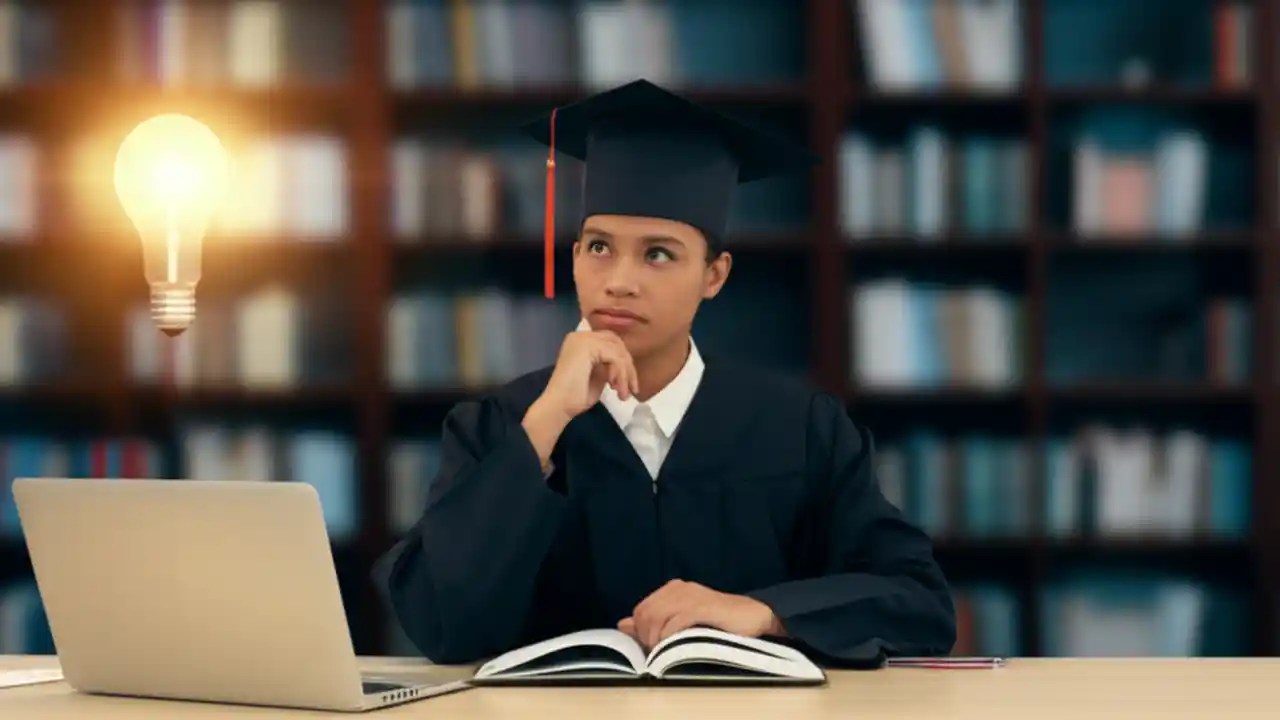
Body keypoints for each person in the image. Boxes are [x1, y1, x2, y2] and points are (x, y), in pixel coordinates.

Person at [374, 79, 956, 668]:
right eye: (599, 247)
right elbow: (439, 626)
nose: (620, 279)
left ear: (714, 275)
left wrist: (764, 613)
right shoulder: (499, 424)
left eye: (658, 254)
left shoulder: (801, 429)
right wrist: (545, 424)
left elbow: (919, 602)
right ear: (573, 257)